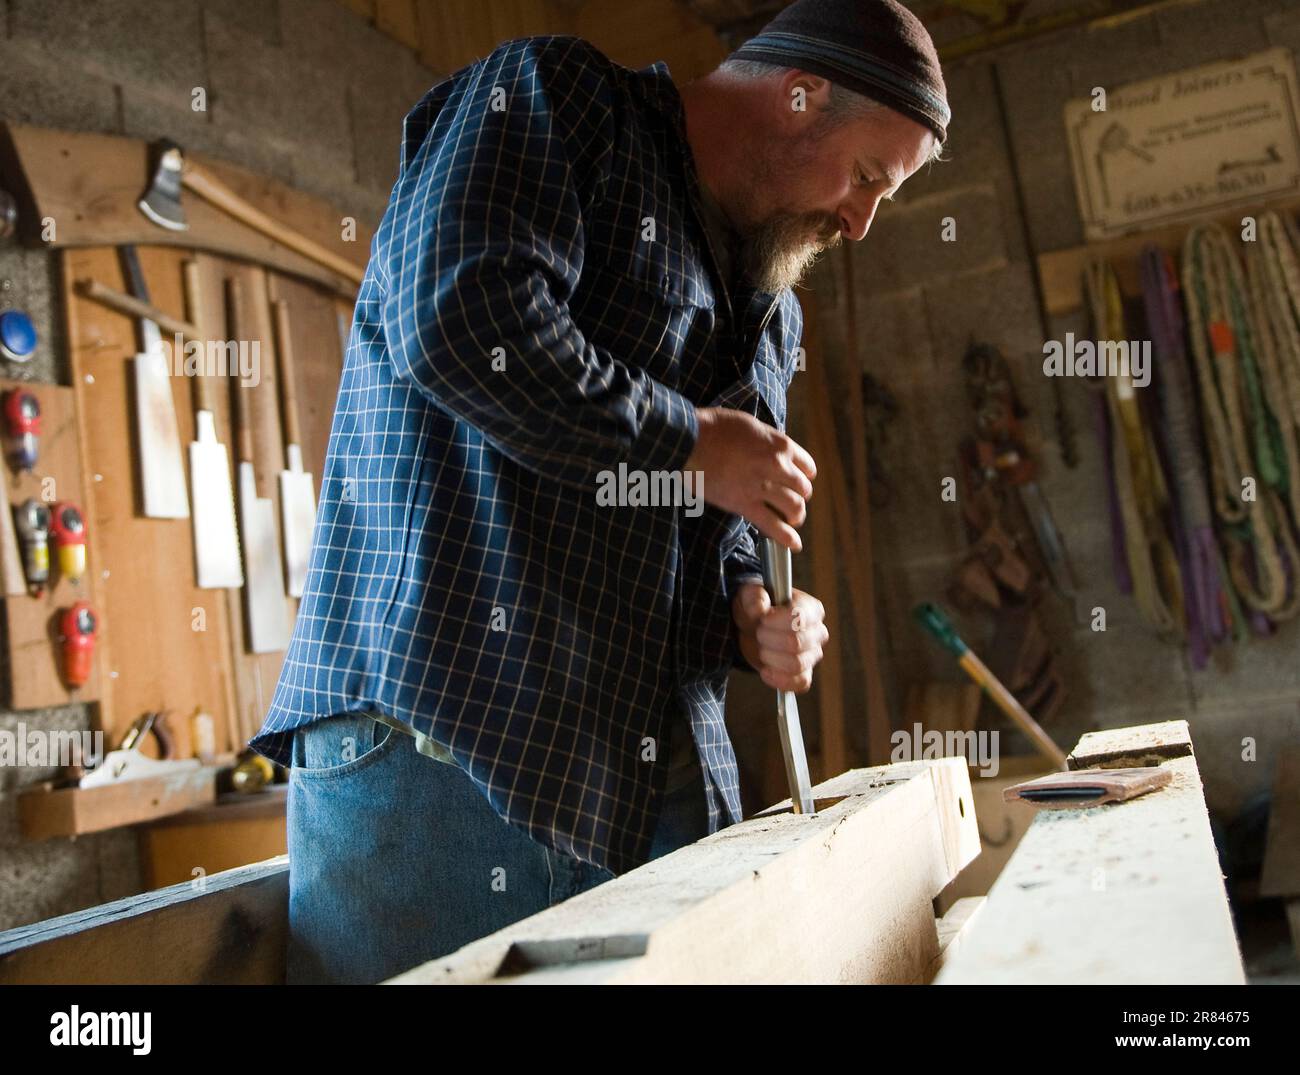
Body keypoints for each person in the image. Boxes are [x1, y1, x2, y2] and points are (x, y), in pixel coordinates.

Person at [251, 0, 949, 984]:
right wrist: (690, 442)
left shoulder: (771, 304)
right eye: (868, 175)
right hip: (450, 739)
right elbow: (460, 317)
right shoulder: (559, 102)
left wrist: (753, 610)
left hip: (639, 774)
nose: (860, 221)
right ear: (799, 96)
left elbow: (721, 522)